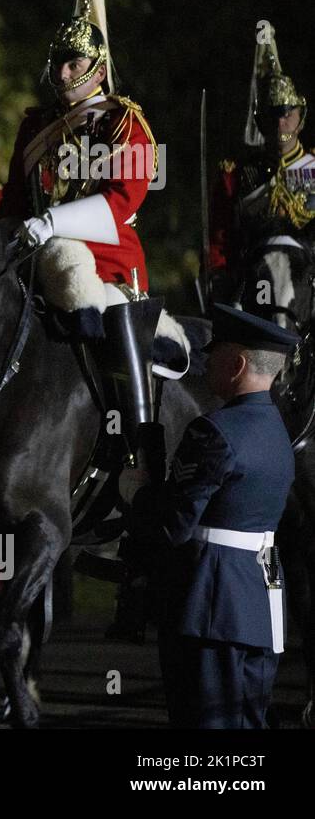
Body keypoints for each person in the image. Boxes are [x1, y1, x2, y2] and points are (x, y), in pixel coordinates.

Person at [0, 0, 167, 465]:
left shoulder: (125, 124)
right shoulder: (35, 126)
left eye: (75, 63)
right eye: (59, 63)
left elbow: (122, 203)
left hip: (107, 261)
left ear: (97, 65)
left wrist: (54, 222)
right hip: (33, 258)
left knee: (115, 322)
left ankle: (138, 445)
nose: (63, 73)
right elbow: (15, 202)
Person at [129, 304, 298, 727]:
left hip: (212, 607)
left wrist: (140, 491)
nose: (204, 363)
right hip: (260, 603)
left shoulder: (215, 431)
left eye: (214, 354)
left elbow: (175, 525)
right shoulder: (279, 432)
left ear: (238, 363)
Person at [207, 32, 312, 309]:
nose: (281, 124)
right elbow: (221, 241)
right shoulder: (236, 175)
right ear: (260, 121)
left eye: (288, 114)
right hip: (253, 279)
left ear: (301, 117)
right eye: (273, 115)